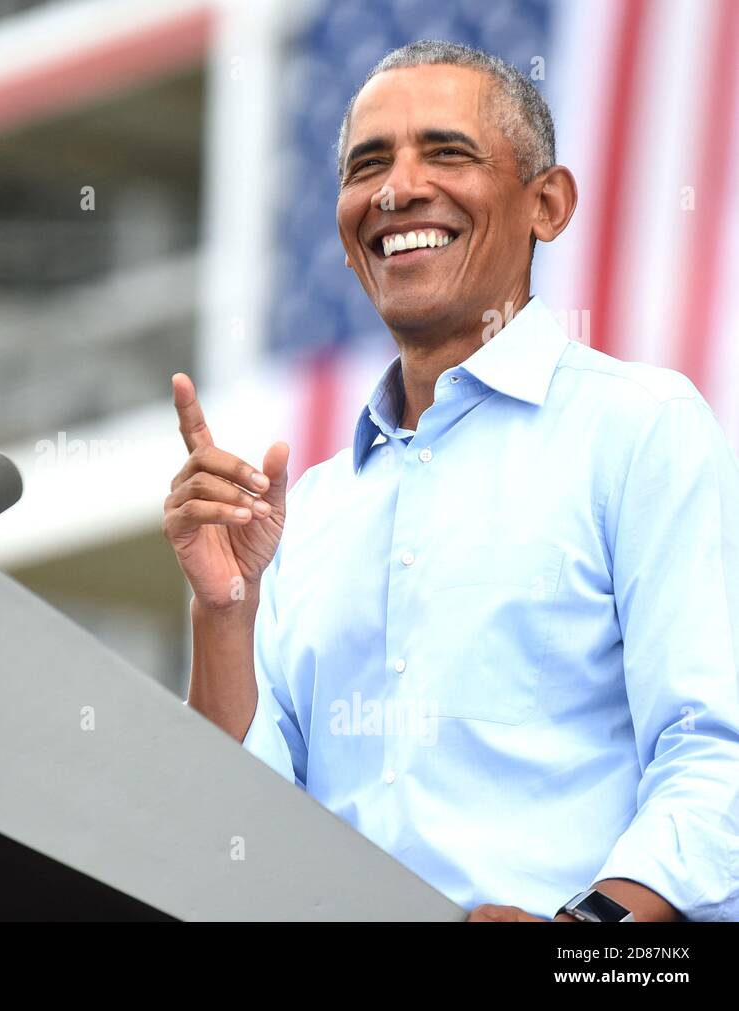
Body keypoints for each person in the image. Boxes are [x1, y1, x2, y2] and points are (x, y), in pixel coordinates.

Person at [165, 40, 739, 922]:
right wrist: (224, 614)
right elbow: (238, 834)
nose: (396, 189)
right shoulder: (306, 513)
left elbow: (717, 755)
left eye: (446, 151)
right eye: (369, 165)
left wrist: (587, 938)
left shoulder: (640, 430)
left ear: (548, 204)